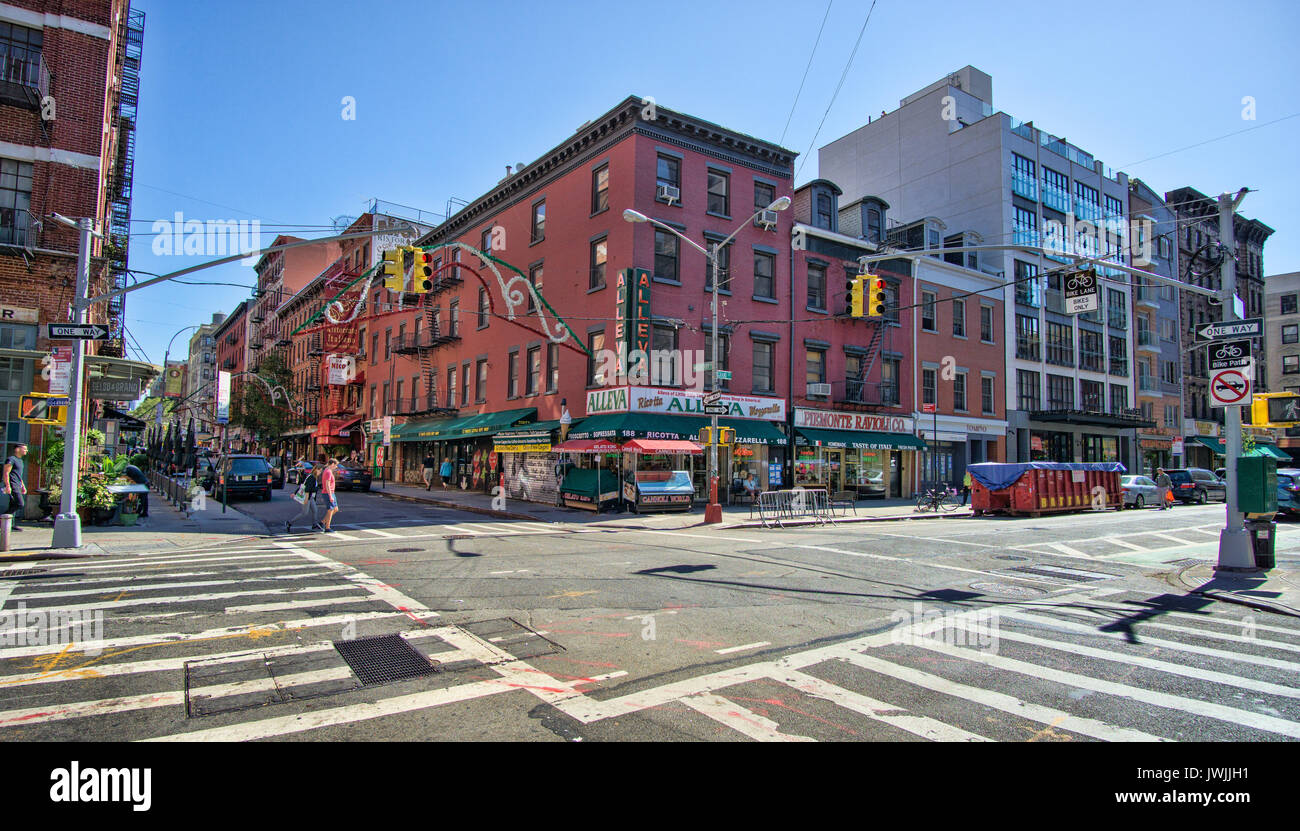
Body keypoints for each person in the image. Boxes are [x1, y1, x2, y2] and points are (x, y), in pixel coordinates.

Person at [285, 462, 323, 533]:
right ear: (316, 470)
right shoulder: (312, 477)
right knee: (304, 513)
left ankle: (314, 524)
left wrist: (295, 492)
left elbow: (302, 485)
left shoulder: (312, 477)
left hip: (310, 497)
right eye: (320, 471)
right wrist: (306, 499)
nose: (320, 472)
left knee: (315, 510)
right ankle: (289, 523)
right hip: (307, 497)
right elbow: (307, 489)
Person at [2, 443, 28, 531]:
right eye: (24, 449)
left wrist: (23, 486)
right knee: (20, 503)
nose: (26, 451)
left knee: (12, 505)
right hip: (12, 485)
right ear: (17, 449)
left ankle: (10, 524)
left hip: (17, 484)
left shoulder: (20, 461)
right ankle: (2, 519)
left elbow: (18, 475)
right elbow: (6, 473)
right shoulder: (11, 459)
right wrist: (8, 486)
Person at [320, 457, 340, 532]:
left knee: (335, 509)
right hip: (328, 493)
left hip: (331, 492)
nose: (336, 467)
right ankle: (327, 527)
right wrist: (330, 495)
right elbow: (327, 484)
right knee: (330, 510)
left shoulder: (328, 471)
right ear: (332, 464)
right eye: (335, 465)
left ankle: (322, 522)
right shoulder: (328, 472)